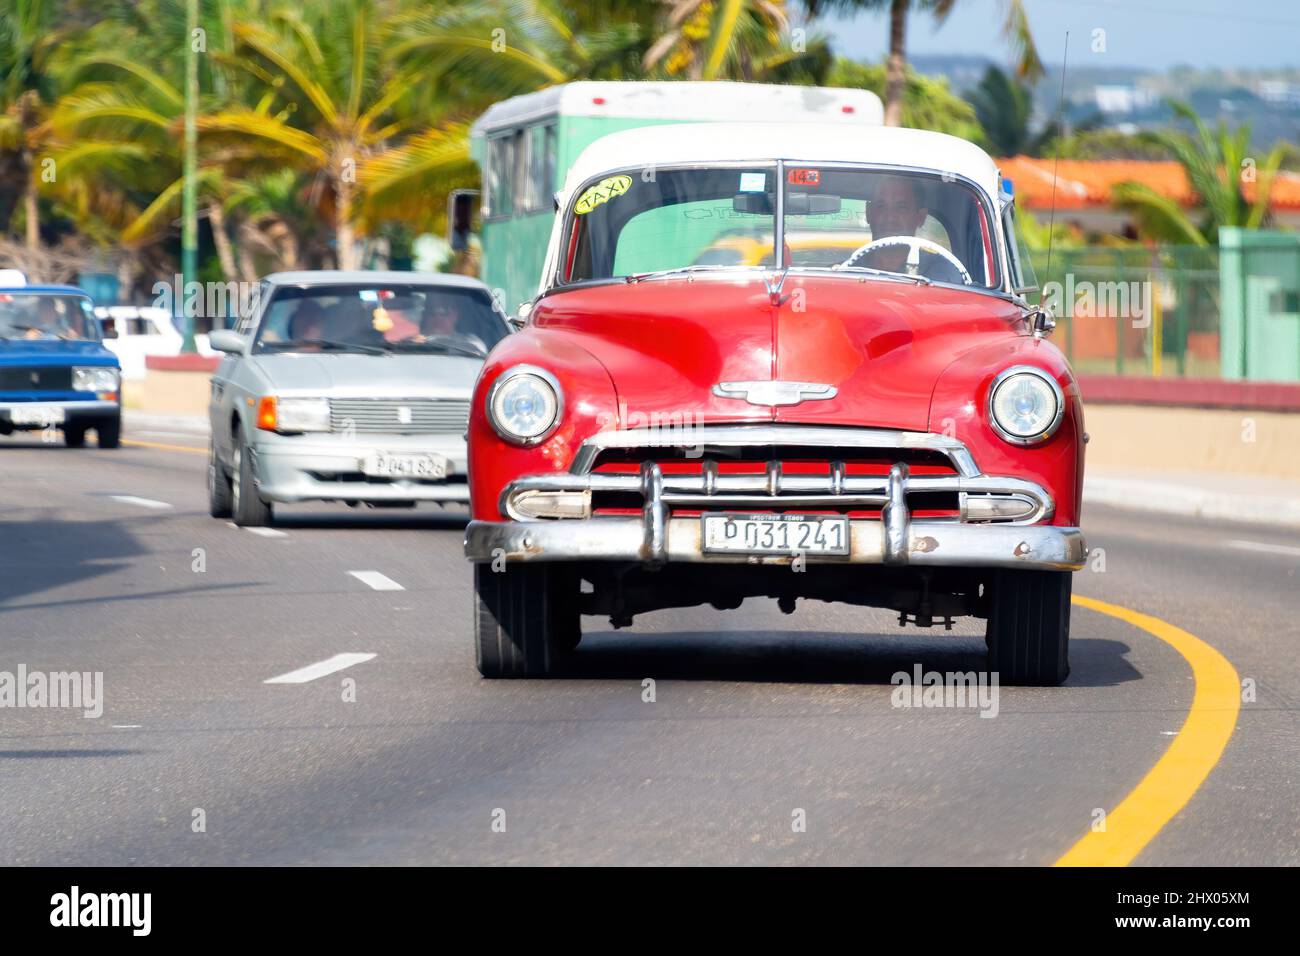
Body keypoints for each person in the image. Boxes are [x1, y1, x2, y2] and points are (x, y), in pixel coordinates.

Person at [858, 176, 967, 285]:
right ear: (868, 213)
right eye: (881, 206)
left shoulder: (943, 274)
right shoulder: (848, 272)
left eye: (901, 208)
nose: (890, 217)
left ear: (920, 217)